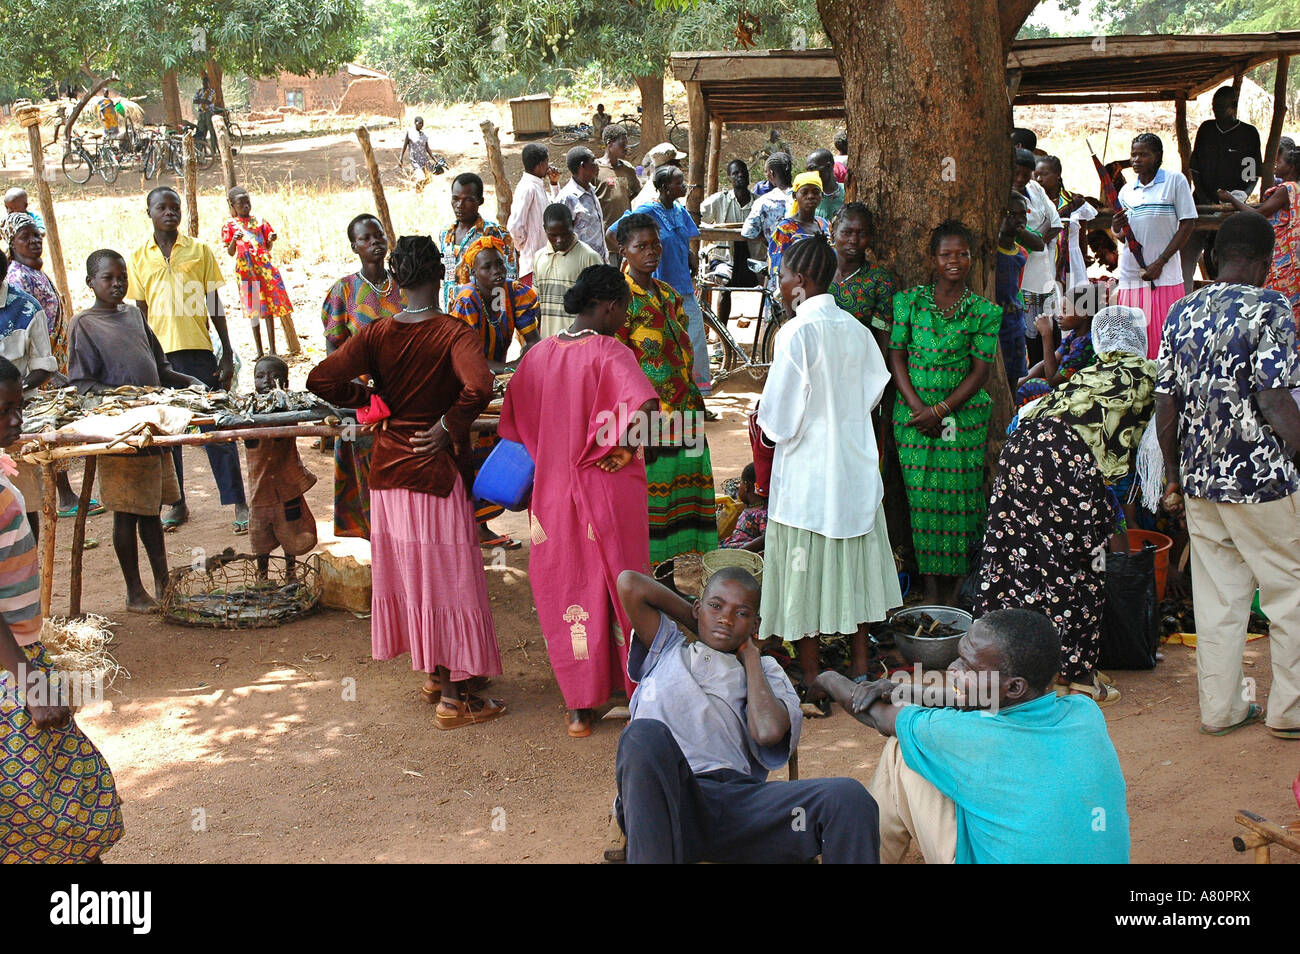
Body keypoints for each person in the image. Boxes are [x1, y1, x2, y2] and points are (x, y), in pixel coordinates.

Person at [308, 235, 506, 730]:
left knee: (417, 576)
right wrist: (446, 425)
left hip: (389, 472)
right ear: (440, 275)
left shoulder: (377, 334)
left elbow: (321, 379)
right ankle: (456, 700)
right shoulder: (455, 333)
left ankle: (439, 676)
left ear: (394, 280)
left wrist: (375, 397)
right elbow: (480, 386)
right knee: (450, 578)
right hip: (435, 474)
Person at [816, 609, 1131, 864]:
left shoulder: (963, 735)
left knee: (901, 748)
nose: (952, 669)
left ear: (1015, 687)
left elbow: (879, 717)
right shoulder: (1084, 712)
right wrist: (902, 689)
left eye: (967, 666)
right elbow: (975, 700)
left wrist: (825, 676)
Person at [614, 567, 881, 864]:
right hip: (668, 809)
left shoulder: (767, 672)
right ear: (698, 608)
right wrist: (700, 619)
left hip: (743, 812)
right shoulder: (666, 648)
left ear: (756, 624)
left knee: (849, 798)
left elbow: (767, 732)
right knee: (642, 735)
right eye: (716, 606)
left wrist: (751, 656)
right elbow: (630, 583)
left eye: (740, 613)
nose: (726, 618)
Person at [1154, 211, 1300, 740]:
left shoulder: (1182, 310)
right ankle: (1289, 713)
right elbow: (1275, 398)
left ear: (1214, 259)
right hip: (1262, 481)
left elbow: (1164, 401)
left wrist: (1173, 474)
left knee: (1218, 600)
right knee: (1290, 592)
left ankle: (1221, 709)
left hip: (1199, 481)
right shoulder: (1270, 306)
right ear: (1265, 263)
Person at [498, 264, 659, 738]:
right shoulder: (611, 351)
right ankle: (637, 692)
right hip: (605, 490)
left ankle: (578, 707)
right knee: (622, 583)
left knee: (567, 589)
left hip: (551, 495)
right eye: (624, 309)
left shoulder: (537, 354)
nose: (625, 318)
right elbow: (647, 407)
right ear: (608, 306)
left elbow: (516, 424)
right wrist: (623, 447)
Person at [977, 304, 1157, 704]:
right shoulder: (1147, 373)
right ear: (1137, 340)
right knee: (1079, 566)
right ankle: (1077, 677)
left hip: (1020, 456)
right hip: (1066, 464)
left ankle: (1024, 675)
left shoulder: (1088, 374)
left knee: (1022, 564)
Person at [758, 236, 902, 702]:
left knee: (804, 571)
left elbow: (779, 421)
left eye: (782, 277)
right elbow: (874, 390)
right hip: (853, 469)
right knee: (852, 569)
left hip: (807, 479)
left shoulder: (796, 334)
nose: (780, 286)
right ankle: (861, 668)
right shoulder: (854, 329)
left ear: (800, 281)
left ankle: (814, 673)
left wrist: (766, 419)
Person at [0, 355, 124, 863]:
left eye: (18, 407)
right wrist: (29, 682)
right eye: (2, 411)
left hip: (21, 661)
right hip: (13, 671)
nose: (14, 420)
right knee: (67, 818)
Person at [68, 249, 204, 612]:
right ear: (91, 283)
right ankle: (134, 591)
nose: (117, 284)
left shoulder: (133, 315)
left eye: (122, 277)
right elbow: (83, 385)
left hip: (151, 427)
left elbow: (160, 367)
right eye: (108, 278)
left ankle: (163, 584)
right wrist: (124, 400)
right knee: (126, 511)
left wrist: (189, 381)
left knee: (150, 509)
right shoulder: (84, 324)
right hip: (119, 432)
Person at [889, 221, 999, 605]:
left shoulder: (984, 311)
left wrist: (941, 410)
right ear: (932, 259)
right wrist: (921, 409)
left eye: (963, 254)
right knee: (922, 504)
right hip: (914, 422)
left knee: (960, 500)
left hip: (960, 421)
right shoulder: (909, 302)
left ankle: (958, 596)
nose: (956, 261)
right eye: (947, 254)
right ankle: (931, 591)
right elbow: (897, 356)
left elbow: (980, 372)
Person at [128, 186, 249, 534]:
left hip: (198, 351)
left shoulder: (199, 250)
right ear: (148, 212)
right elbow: (140, 311)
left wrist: (225, 350)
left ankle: (238, 500)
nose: (170, 212)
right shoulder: (138, 258)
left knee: (214, 426)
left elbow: (214, 303)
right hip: (160, 357)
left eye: (175, 207)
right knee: (170, 431)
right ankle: (178, 502)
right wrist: (145, 356)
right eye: (161, 207)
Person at [614, 213, 716, 564]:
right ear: (623, 250)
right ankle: (649, 582)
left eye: (655, 244)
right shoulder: (621, 298)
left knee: (678, 501)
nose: (650, 252)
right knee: (651, 503)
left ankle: (669, 576)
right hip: (649, 418)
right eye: (640, 246)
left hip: (684, 410)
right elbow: (617, 362)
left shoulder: (670, 295)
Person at [450, 236, 540, 550]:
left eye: (499, 264)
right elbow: (469, 358)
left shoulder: (517, 293)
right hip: (465, 380)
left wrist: (522, 362)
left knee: (499, 447)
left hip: (498, 379)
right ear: (473, 272)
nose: (496, 271)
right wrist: (513, 366)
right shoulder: (467, 300)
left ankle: (483, 524)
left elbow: (534, 342)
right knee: (473, 451)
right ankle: (476, 527)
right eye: (486, 267)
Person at [321, 213, 403, 540]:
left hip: (404, 398)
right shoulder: (344, 291)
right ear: (354, 246)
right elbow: (333, 353)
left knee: (403, 481)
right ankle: (381, 555)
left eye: (378, 236)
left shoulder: (403, 285)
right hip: (363, 403)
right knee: (369, 479)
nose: (374, 243)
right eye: (365, 239)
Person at [2, 212, 85, 516]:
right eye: (26, 237)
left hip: (42, 370)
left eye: (37, 235)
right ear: (11, 243)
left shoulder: (31, 279)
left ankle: (62, 495)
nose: (35, 241)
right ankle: (62, 496)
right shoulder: (18, 277)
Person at [621, 165, 711, 402]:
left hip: (681, 287)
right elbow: (615, 231)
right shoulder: (649, 210)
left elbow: (689, 237)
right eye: (679, 183)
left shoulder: (680, 211)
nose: (684, 187)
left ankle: (696, 395)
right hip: (656, 284)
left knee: (692, 342)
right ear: (664, 187)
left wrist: (690, 254)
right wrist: (633, 260)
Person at [1112, 133, 1197, 358]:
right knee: (1133, 341)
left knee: (1163, 339)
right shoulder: (1126, 191)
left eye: (1144, 154)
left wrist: (1161, 261)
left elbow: (1188, 223)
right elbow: (1123, 237)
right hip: (1131, 276)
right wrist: (1116, 226)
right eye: (1133, 155)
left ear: (1158, 157)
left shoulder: (1174, 181)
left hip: (1164, 276)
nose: (1136, 160)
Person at [0, 246, 61, 540]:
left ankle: (26, 564)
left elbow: (44, 366)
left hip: (11, 419)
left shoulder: (26, 309)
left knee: (23, 501)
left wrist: (14, 395)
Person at [244, 355, 317, 579]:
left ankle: (290, 574)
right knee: (260, 538)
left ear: (285, 383)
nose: (266, 380)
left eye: (274, 376)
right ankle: (262, 577)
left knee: (292, 534)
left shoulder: (289, 408)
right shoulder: (247, 411)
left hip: (287, 488)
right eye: (260, 376)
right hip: (261, 490)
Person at [1185, 86, 1263, 289]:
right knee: (1188, 254)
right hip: (1202, 203)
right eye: (1214, 107)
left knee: (1232, 256)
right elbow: (1196, 169)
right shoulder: (1206, 130)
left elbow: (1252, 174)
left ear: (1234, 106)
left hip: (1233, 207)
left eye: (1221, 107)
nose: (1216, 111)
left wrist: (1240, 198)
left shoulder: (1248, 134)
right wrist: (1206, 200)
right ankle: (1184, 294)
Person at [1218, 146, 1300, 310]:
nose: (1276, 165)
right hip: (1293, 255)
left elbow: (1259, 215)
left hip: (1281, 255)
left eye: (1280, 162)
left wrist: (1231, 198)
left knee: (1273, 302)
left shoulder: (1286, 189)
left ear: (1291, 167)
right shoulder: (1297, 188)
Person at [220, 186, 294, 359]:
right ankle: (259, 351)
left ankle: (273, 349)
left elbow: (267, 246)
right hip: (246, 270)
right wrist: (234, 239)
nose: (246, 206)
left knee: (268, 308)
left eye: (248, 202)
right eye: (241, 204)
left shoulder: (260, 221)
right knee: (253, 308)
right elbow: (231, 252)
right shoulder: (230, 226)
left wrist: (270, 240)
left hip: (264, 269)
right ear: (233, 205)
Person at [1014, 148, 1062, 368]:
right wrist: (1038, 236)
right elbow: (1024, 241)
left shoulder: (1034, 188)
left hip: (1044, 276)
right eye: (1017, 173)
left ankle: (1048, 380)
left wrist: (1036, 237)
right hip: (1021, 280)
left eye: (1027, 174)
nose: (1021, 179)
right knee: (1029, 338)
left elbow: (1055, 222)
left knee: (1052, 332)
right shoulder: (1005, 197)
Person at [439, 172, 516, 310]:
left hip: (483, 316)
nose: (459, 205)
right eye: (455, 199)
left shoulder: (496, 233)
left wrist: (498, 318)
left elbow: (509, 279)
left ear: (480, 201)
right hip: (452, 318)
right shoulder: (446, 235)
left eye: (467, 200)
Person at [1016, 281, 1100, 406]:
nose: (1060, 316)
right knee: (1026, 383)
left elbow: (1053, 381)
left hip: (1079, 396)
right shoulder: (1075, 335)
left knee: (1031, 387)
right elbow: (1048, 361)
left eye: (1065, 311)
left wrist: (1046, 335)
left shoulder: (1085, 345)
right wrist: (1019, 382)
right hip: (1067, 388)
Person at [698, 158, 756, 330]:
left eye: (743, 172)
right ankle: (722, 336)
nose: (740, 176)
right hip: (724, 258)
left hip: (752, 258)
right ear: (729, 179)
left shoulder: (758, 203)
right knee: (724, 283)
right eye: (735, 173)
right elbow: (698, 217)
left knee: (769, 286)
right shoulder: (719, 200)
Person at [829, 203, 895, 355]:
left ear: (870, 237)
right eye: (846, 232)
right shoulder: (818, 270)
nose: (854, 240)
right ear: (833, 232)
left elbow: (883, 337)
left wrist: (880, 374)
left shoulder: (879, 280)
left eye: (862, 234)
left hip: (858, 364)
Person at [532, 203, 603, 338]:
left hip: (577, 341)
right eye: (553, 235)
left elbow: (599, 305)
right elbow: (537, 302)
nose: (559, 240)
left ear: (573, 224)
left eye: (565, 234)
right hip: (549, 342)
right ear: (544, 229)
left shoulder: (589, 257)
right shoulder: (539, 258)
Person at [765, 172, 829, 297]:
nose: (810, 196)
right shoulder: (785, 229)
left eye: (816, 192)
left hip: (822, 291)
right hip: (796, 293)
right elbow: (777, 268)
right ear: (795, 195)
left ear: (822, 196)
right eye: (804, 192)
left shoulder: (824, 224)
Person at [506, 143, 558, 285]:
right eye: (547, 162)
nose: (548, 166)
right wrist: (522, 246)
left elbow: (555, 210)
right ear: (540, 164)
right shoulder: (527, 188)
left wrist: (554, 184)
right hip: (532, 265)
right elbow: (514, 226)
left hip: (546, 262)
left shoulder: (538, 186)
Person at [994, 192, 1030, 390]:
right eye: (1011, 214)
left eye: (1023, 214)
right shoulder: (990, 252)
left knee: (1012, 380)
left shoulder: (1021, 253)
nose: (1018, 219)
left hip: (1014, 324)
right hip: (996, 326)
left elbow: (1015, 289)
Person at [594, 124, 640, 263]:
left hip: (626, 238)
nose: (626, 148)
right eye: (622, 144)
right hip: (605, 241)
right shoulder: (596, 169)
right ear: (609, 143)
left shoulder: (628, 170)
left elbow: (636, 191)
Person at [557, 145, 606, 263]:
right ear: (583, 165)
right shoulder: (567, 198)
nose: (597, 163)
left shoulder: (591, 190)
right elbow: (559, 237)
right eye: (593, 160)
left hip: (600, 263)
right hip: (581, 266)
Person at [741, 152, 794, 255]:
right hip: (804, 257)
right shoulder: (805, 197)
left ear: (771, 173)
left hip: (777, 258)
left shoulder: (764, 201)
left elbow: (748, 232)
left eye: (766, 172)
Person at [721, 462, 767, 552]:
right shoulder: (752, 507)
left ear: (746, 485)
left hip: (740, 555)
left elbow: (766, 539)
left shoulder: (763, 514)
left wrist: (740, 552)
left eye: (740, 484)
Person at [631, 142, 686, 209]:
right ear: (667, 167)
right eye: (676, 163)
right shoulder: (654, 198)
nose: (680, 166)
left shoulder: (665, 189)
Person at [398, 116, 437, 190]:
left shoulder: (424, 136)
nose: (421, 125)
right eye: (419, 123)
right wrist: (401, 158)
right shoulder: (410, 133)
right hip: (415, 160)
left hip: (425, 160)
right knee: (421, 177)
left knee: (429, 179)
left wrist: (434, 159)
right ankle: (418, 193)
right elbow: (405, 145)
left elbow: (427, 148)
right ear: (415, 123)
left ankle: (420, 190)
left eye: (422, 123)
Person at [805, 148, 844, 222]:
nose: (809, 173)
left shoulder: (846, 192)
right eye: (807, 170)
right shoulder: (807, 197)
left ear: (829, 166)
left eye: (812, 168)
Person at [192, 75, 217, 153]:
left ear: (208, 83)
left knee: (212, 133)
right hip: (201, 114)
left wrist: (200, 100)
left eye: (206, 83)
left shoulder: (212, 91)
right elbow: (194, 101)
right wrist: (203, 100)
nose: (204, 84)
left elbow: (209, 101)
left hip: (209, 114)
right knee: (200, 133)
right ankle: (201, 151)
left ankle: (213, 150)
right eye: (203, 82)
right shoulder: (199, 91)